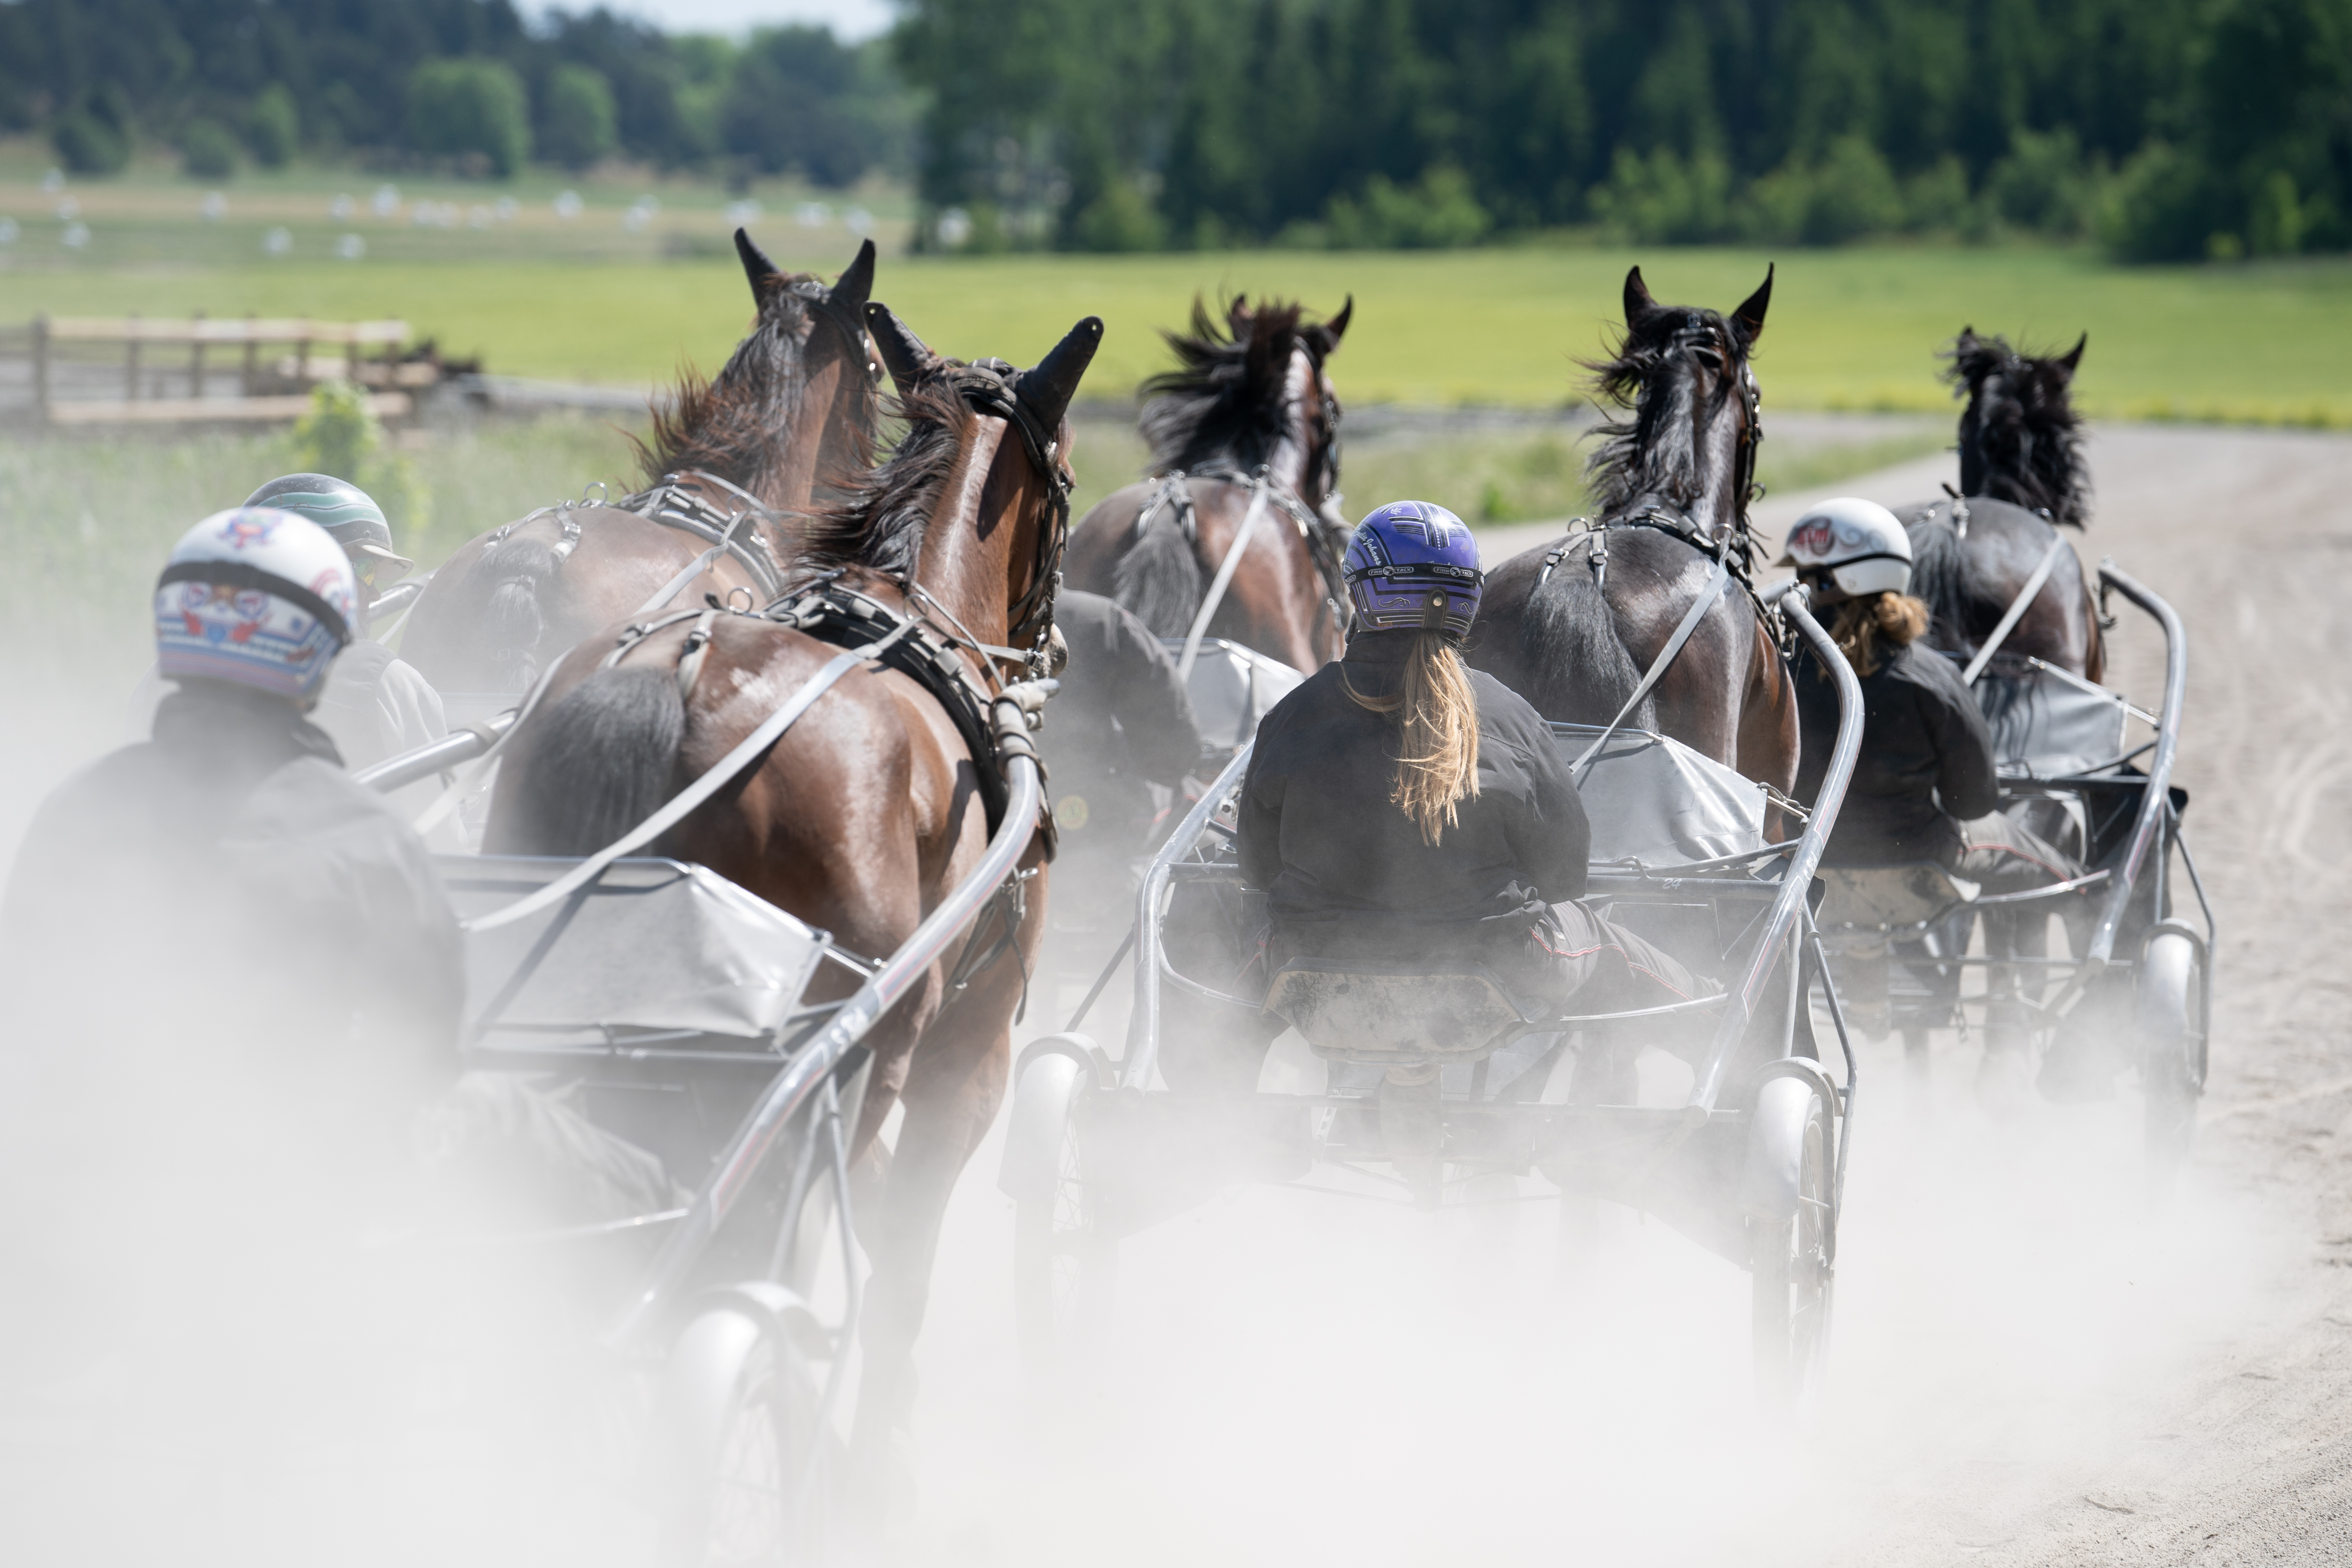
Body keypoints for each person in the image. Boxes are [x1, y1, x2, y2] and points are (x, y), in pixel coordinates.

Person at [1234, 501, 1712, 1093]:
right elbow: (1565, 876)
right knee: (1611, 948)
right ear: (1466, 599)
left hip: (1312, 968)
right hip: (1495, 970)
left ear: (1360, 593)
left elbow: (1257, 869)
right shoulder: (1511, 717)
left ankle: (1208, 1102)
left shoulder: (1291, 715)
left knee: (1231, 974)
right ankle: (1726, 1036)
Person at [1779, 497, 2085, 1090]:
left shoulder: (1779, 673)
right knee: (2066, 875)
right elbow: (1975, 803)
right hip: (1922, 867)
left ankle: (1864, 986)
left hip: (1807, 878)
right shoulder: (1931, 677)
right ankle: (2087, 985)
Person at [243, 471, 447, 776]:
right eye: (366, 571)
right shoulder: (389, 681)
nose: (376, 593)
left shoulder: (187, 668)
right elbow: (435, 805)